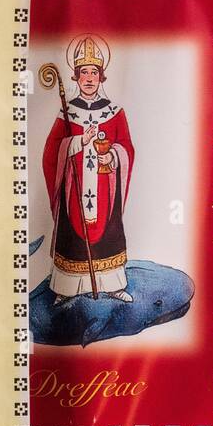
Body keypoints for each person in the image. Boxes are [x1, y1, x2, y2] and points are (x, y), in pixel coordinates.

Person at [42, 35, 134, 302]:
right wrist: (77, 142)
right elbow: (51, 152)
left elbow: (127, 147)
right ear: (76, 77)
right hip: (75, 190)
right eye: (84, 73)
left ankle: (113, 284)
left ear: (101, 76)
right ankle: (67, 289)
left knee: (109, 232)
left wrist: (114, 158)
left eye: (94, 72)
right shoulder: (67, 112)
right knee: (72, 237)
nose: (90, 78)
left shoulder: (115, 112)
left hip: (105, 189)